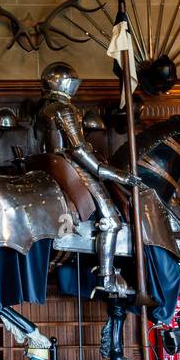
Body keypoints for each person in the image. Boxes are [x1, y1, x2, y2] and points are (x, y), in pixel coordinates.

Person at [36, 61, 143, 296]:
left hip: (51, 167)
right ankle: (107, 278)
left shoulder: (43, 109)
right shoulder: (64, 109)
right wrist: (112, 172)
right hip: (71, 167)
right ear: (66, 83)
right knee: (112, 221)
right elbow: (78, 149)